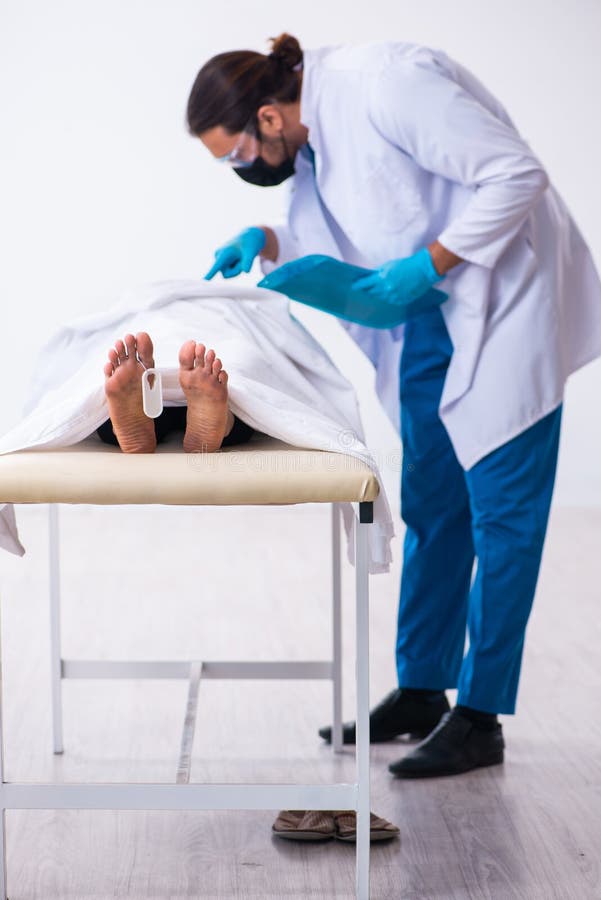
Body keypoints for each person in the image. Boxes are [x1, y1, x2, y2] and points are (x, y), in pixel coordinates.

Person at [186, 34, 601, 778]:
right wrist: (268, 236)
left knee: (503, 514)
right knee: (435, 503)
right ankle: (421, 689)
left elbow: (515, 174)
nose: (239, 168)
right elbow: (341, 226)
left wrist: (425, 266)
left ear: (268, 119)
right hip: (426, 314)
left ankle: (479, 716)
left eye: (235, 153)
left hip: (502, 292)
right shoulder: (308, 141)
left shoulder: (385, 84)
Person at [96, 331, 255, 453]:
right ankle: (226, 422)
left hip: (153, 407)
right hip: (208, 394)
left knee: (104, 412)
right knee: (245, 403)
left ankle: (114, 428)